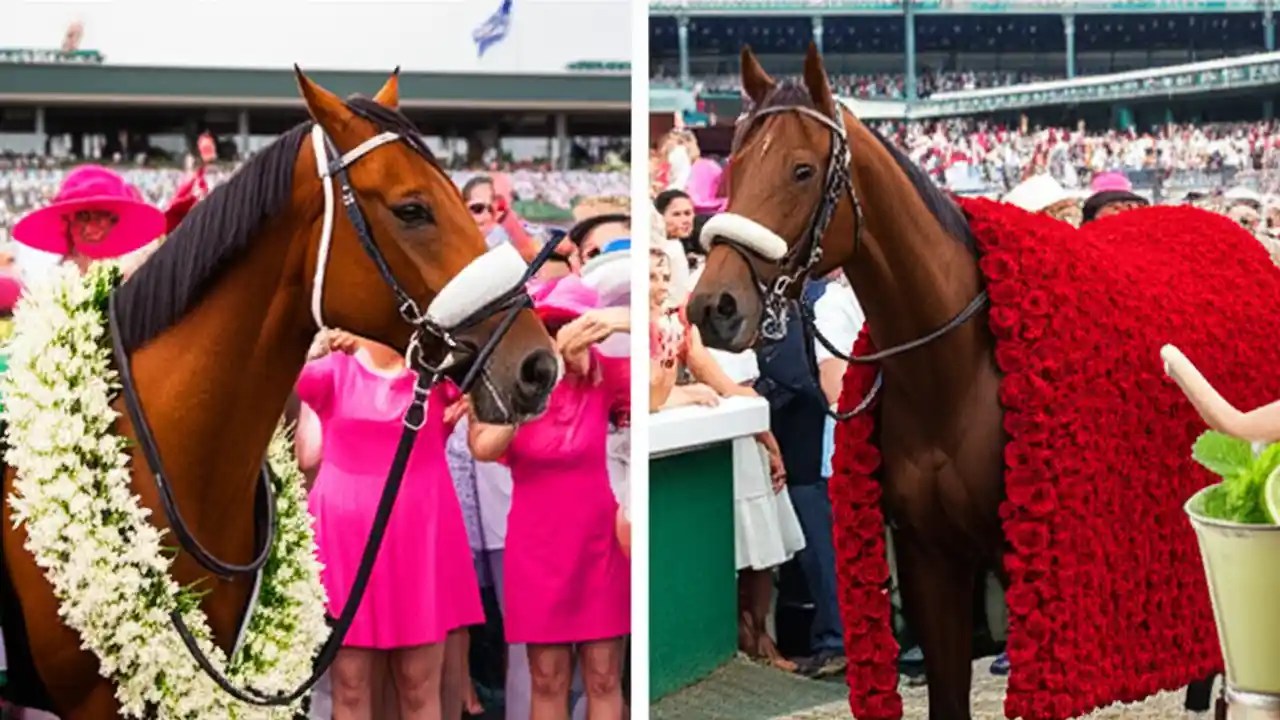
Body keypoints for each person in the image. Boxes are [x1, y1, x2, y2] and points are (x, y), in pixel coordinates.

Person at [297, 329, 483, 720]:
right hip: (346, 541)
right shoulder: (329, 370)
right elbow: (307, 453)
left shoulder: (442, 378)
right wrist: (316, 352)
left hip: (418, 538)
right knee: (350, 685)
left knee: (419, 685)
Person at [467, 276, 631, 720]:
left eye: (574, 324)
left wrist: (618, 319)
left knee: (603, 675)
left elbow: (666, 351)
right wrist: (540, 379)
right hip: (537, 548)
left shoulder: (605, 379)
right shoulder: (511, 385)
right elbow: (483, 446)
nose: (564, 333)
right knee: (547, 677)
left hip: (600, 543)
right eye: (553, 325)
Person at [11, 164, 165, 277]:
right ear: (68, 223)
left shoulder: (139, 273)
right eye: (82, 216)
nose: (91, 227)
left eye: (101, 216)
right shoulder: (55, 283)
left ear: (115, 221)